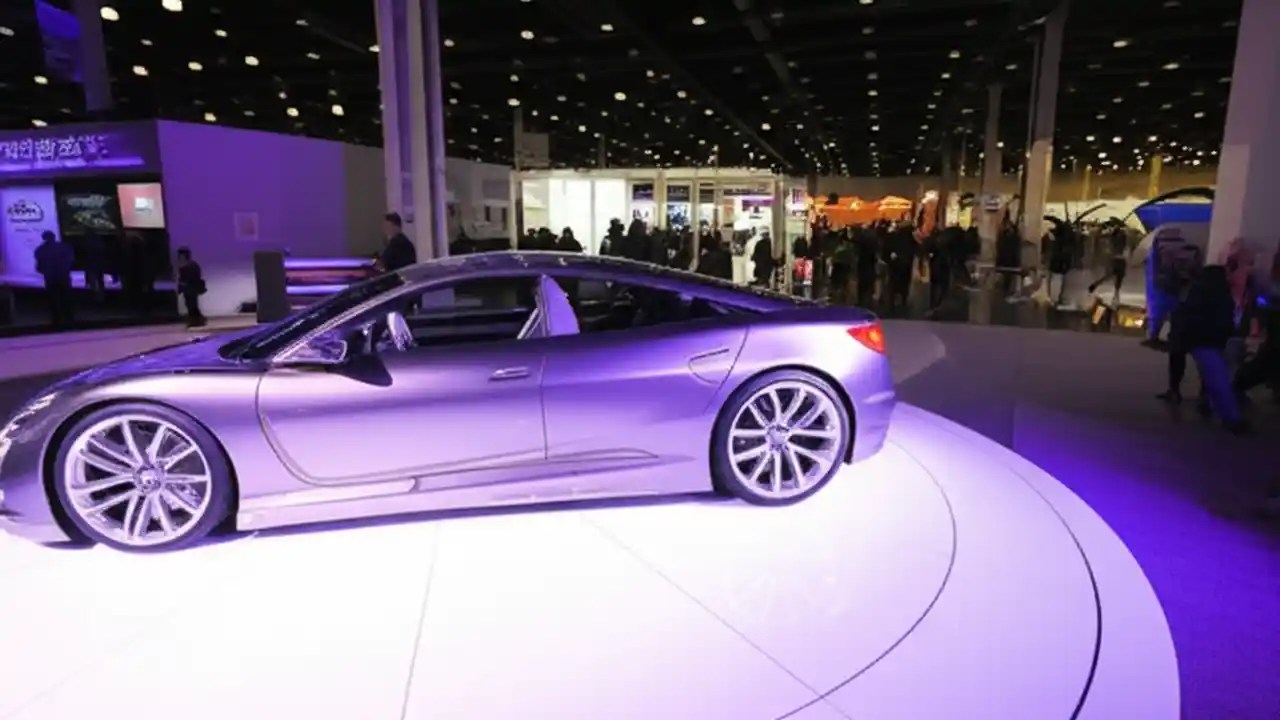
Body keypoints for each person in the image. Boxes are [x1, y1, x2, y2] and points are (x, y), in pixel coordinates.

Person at [1160, 266, 1247, 434]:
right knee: (1218, 379)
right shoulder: (1222, 296)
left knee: (1214, 377)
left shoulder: (1197, 294)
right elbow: (1225, 321)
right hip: (1211, 342)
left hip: (1199, 341)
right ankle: (1230, 417)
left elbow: (1186, 316)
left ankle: (1220, 409)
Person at [34, 230, 75, 328]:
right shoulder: (64, 247)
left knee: (53, 299)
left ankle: (56, 319)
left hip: (50, 278)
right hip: (63, 276)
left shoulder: (40, 250)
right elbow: (71, 260)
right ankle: (69, 317)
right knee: (66, 297)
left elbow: (39, 267)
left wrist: (46, 270)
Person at [174, 247, 207, 328]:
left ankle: (196, 320)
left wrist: (183, 285)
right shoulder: (189, 264)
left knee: (191, 304)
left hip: (191, 288)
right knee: (190, 304)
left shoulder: (190, 265)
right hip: (189, 288)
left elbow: (191, 277)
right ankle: (197, 320)